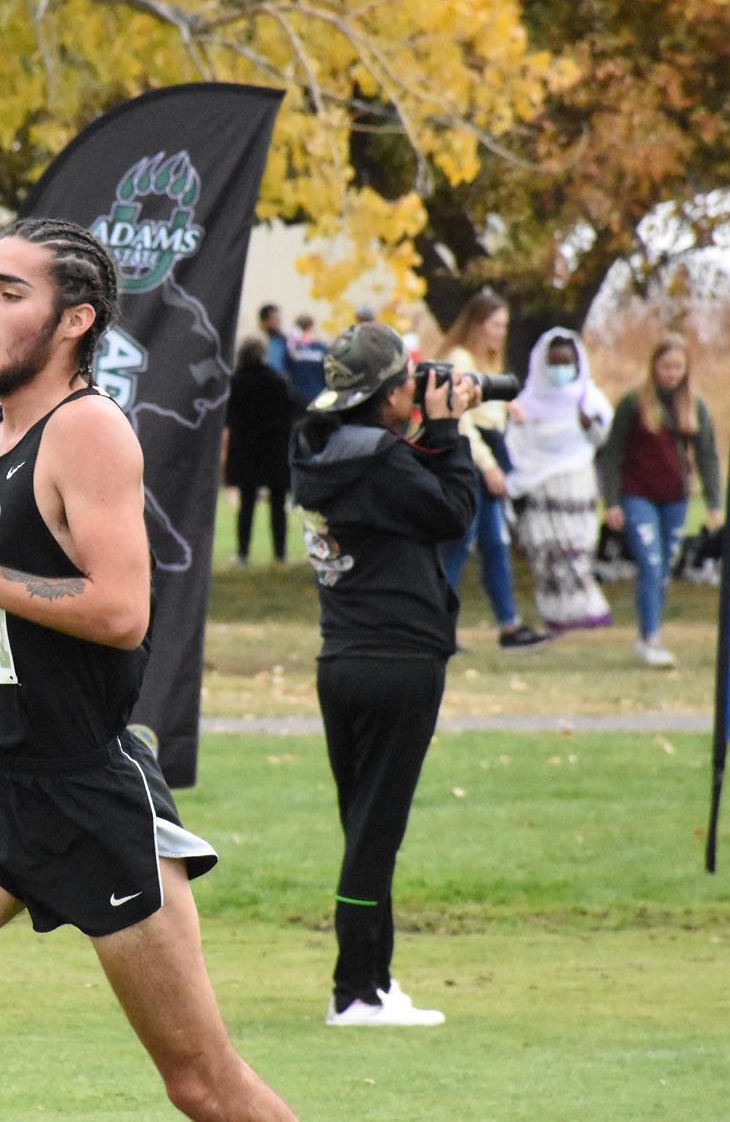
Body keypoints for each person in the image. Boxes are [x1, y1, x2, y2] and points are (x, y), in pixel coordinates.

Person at [0, 217, 294, 1121]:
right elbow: (8, 591)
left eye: (8, 291)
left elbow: (120, 612)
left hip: (89, 799)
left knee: (202, 1082)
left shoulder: (91, 432)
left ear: (74, 321)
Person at [290, 321, 478, 1027]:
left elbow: (400, 487)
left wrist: (423, 431)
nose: (415, 388)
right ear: (388, 392)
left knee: (366, 828)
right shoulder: (382, 462)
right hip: (400, 659)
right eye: (406, 381)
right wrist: (449, 432)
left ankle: (376, 976)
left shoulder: (315, 447)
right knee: (375, 834)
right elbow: (453, 511)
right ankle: (354, 993)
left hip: (341, 658)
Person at [596, 335, 723, 667]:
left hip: (676, 498)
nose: (671, 373)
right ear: (654, 366)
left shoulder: (694, 406)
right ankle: (651, 638)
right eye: (666, 366)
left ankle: (648, 633)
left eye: (678, 367)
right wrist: (611, 501)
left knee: (664, 569)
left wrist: (714, 503)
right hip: (638, 495)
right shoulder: (633, 403)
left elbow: (707, 455)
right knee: (650, 564)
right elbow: (612, 454)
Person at [436, 289, 552, 650]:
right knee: (458, 546)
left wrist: (508, 408)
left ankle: (509, 625)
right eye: (495, 325)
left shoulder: (488, 362)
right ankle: (435, 627)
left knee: (495, 544)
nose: (501, 332)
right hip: (469, 463)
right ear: (477, 324)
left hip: (488, 459)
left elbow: (486, 408)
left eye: (505, 325)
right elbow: (462, 421)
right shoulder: (459, 358)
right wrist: (486, 466)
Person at [505, 330, 615, 633]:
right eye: (554, 362)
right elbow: (518, 444)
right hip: (540, 488)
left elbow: (601, 435)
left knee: (576, 549)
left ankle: (584, 611)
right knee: (546, 552)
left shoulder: (588, 398)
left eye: (566, 362)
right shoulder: (528, 401)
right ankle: (555, 613)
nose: (560, 368)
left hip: (576, 484)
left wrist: (587, 423)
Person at [223, 336, 298, 567]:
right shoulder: (277, 381)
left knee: (246, 504)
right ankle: (281, 554)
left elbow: (227, 417)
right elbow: (290, 413)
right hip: (274, 449)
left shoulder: (234, 382)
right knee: (278, 504)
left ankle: (243, 554)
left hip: (245, 449)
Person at [283, 313, 326, 399]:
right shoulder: (321, 349)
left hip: (297, 395)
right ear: (311, 328)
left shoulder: (290, 350)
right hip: (318, 393)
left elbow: (286, 372)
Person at [257, 302, 289, 376]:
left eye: (279, 319)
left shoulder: (283, 340)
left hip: (278, 382)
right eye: (275, 319)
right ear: (265, 321)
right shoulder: (255, 340)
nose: (279, 322)